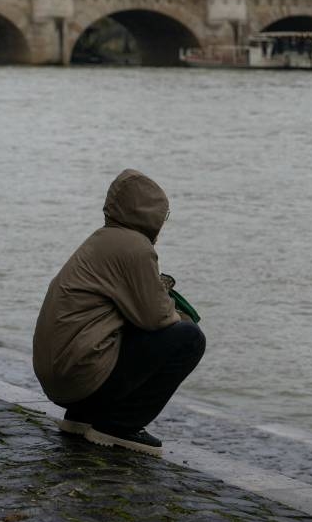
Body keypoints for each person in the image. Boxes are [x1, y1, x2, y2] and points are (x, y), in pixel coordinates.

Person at [32, 168, 205, 456]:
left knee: (133, 327)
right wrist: (180, 314)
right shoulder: (135, 247)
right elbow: (158, 317)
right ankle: (119, 426)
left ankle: (82, 416)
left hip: (61, 377)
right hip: (80, 374)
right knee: (189, 338)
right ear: (150, 215)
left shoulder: (102, 238)